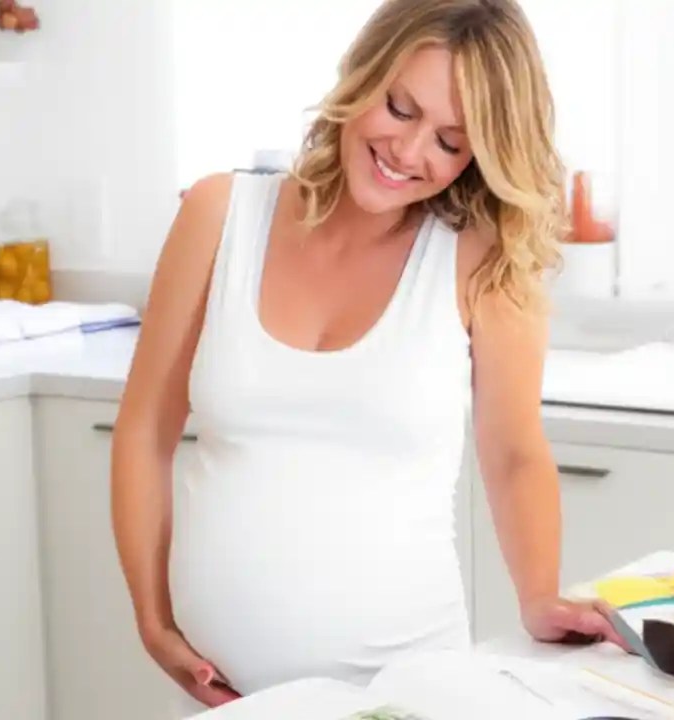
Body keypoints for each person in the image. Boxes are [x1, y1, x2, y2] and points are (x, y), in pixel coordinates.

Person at [109, 0, 626, 715]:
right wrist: (151, 619)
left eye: (451, 141)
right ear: (364, 71)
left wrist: (538, 595)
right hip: (217, 693)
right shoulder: (218, 215)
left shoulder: (482, 260)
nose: (410, 153)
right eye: (401, 107)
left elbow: (512, 450)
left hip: (402, 689)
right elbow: (143, 431)